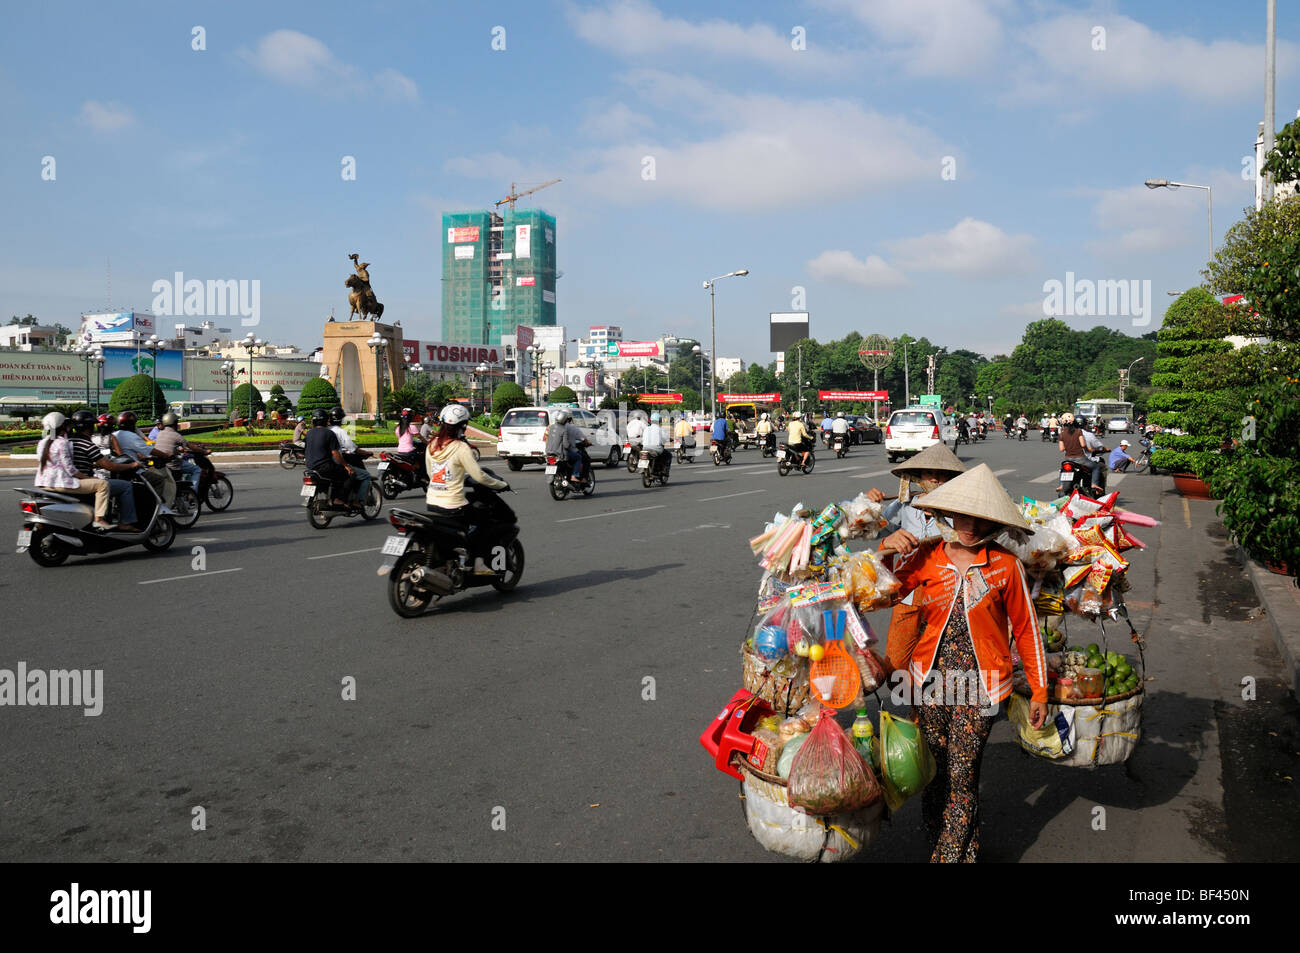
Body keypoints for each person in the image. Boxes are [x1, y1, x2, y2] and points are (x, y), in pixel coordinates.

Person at [877, 463, 1047, 863]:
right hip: (930, 682)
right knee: (933, 771)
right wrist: (885, 552)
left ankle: (948, 857)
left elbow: (1026, 631)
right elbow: (880, 596)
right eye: (962, 515)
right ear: (948, 515)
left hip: (982, 687)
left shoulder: (1005, 566)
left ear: (992, 522)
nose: (969, 525)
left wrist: (1040, 690)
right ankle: (952, 847)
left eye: (979, 518)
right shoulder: (926, 557)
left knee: (963, 774)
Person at [863, 442, 967, 676]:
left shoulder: (963, 509)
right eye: (931, 475)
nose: (937, 481)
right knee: (896, 664)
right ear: (919, 477)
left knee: (940, 662)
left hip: (948, 591)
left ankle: (923, 710)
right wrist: (871, 507)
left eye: (943, 476)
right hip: (909, 589)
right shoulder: (906, 504)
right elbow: (878, 530)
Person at [426, 404, 510, 573]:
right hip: (453, 506)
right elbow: (479, 476)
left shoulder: (432, 444)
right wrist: (502, 485)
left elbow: (431, 473)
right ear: (462, 426)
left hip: (431, 503)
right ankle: (478, 564)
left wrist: (457, 479)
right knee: (485, 521)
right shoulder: (461, 447)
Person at [35, 412, 115, 531]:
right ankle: (99, 520)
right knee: (102, 484)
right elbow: (70, 469)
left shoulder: (42, 443)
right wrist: (87, 478)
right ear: (63, 427)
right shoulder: (62, 443)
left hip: (43, 483)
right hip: (60, 483)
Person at [68, 410, 142, 531]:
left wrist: (95, 465)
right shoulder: (88, 444)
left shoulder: (69, 441)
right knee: (126, 486)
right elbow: (110, 466)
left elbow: (78, 462)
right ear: (89, 427)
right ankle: (126, 522)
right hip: (86, 482)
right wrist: (132, 466)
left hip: (75, 479)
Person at [114, 411, 175, 504]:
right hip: (132, 469)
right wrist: (166, 455)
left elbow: (131, 449)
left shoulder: (115, 434)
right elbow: (149, 450)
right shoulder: (131, 436)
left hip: (119, 468)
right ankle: (152, 507)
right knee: (159, 480)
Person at [304, 409, 357, 507]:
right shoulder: (329, 433)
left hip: (309, 467)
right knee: (350, 474)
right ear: (326, 420)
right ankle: (338, 499)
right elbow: (335, 453)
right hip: (324, 467)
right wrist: (346, 466)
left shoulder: (309, 433)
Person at [328, 406, 372, 503]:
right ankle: (358, 501)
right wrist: (367, 453)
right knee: (365, 475)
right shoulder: (340, 431)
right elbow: (352, 448)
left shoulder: (326, 430)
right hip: (336, 461)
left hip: (326, 462)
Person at [150, 413, 203, 488]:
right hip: (173, 464)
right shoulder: (176, 435)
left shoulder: (160, 434)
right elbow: (191, 447)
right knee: (197, 470)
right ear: (174, 423)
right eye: (177, 422)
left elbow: (167, 447)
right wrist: (204, 451)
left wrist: (177, 451)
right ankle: (193, 493)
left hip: (162, 464)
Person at [1056, 413, 1103, 495]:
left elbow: (1061, 449)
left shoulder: (1061, 435)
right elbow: (1083, 445)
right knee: (1096, 467)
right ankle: (1094, 484)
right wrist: (1088, 449)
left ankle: (1061, 485)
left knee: (1062, 470)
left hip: (1068, 459)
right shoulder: (1078, 431)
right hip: (1080, 458)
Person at [393, 408, 426, 481]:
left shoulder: (397, 428)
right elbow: (421, 437)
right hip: (409, 451)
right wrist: (428, 443)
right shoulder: (411, 427)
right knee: (422, 459)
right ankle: (422, 477)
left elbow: (401, 439)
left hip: (400, 451)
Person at [642, 411, 670, 476]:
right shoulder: (660, 429)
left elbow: (643, 439)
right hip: (656, 449)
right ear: (659, 421)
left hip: (645, 448)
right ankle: (664, 470)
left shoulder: (646, 429)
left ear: (651, 421)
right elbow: (665, 439)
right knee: (668, 455)